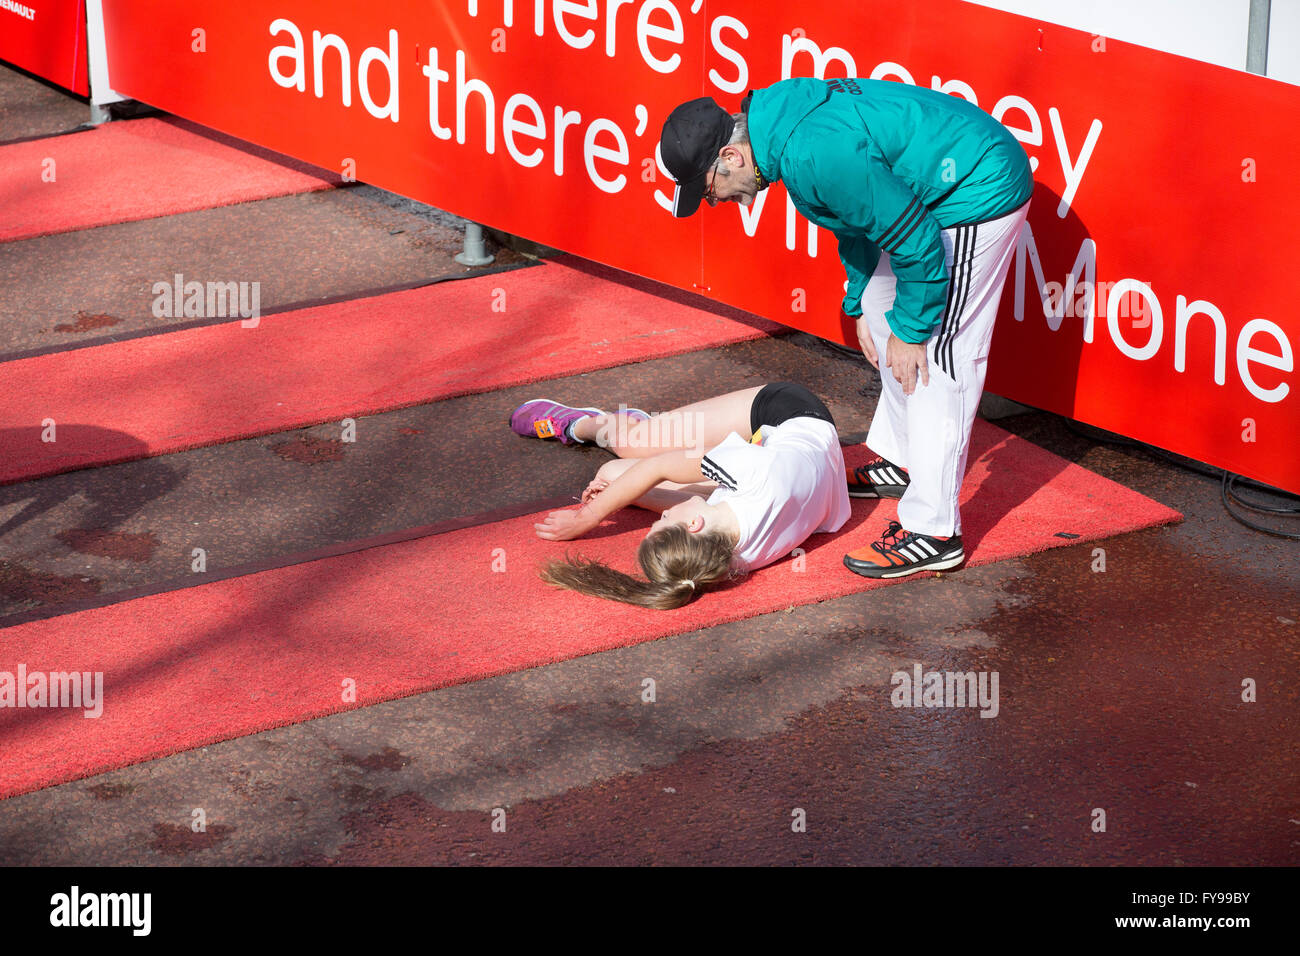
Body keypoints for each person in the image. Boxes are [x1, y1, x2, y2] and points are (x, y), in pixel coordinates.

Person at [658, 77, 1034, 578]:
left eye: (708, 192)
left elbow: (916, 237)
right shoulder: (781, 135)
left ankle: (936, 531)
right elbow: (860, 221)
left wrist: (915, 328)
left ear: (730, 156)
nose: (716, 203)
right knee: (883, 315)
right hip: (931, 193)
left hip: (975, 188)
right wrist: (860, 303)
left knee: (940, 357)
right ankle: (903, 462)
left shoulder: (813, 154)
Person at [509, 382, 851, 608]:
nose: (662, 515)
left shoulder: (727, 559)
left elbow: (683, 553)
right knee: (635, 445)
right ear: (695, 523)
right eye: (663, 521)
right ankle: (578, 424)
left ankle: (639, 435)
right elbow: (659, 466)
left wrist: (617, 493)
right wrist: (587, 517)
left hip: (790, 474)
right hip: (788, 412)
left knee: (614, 477)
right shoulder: (753, 472)